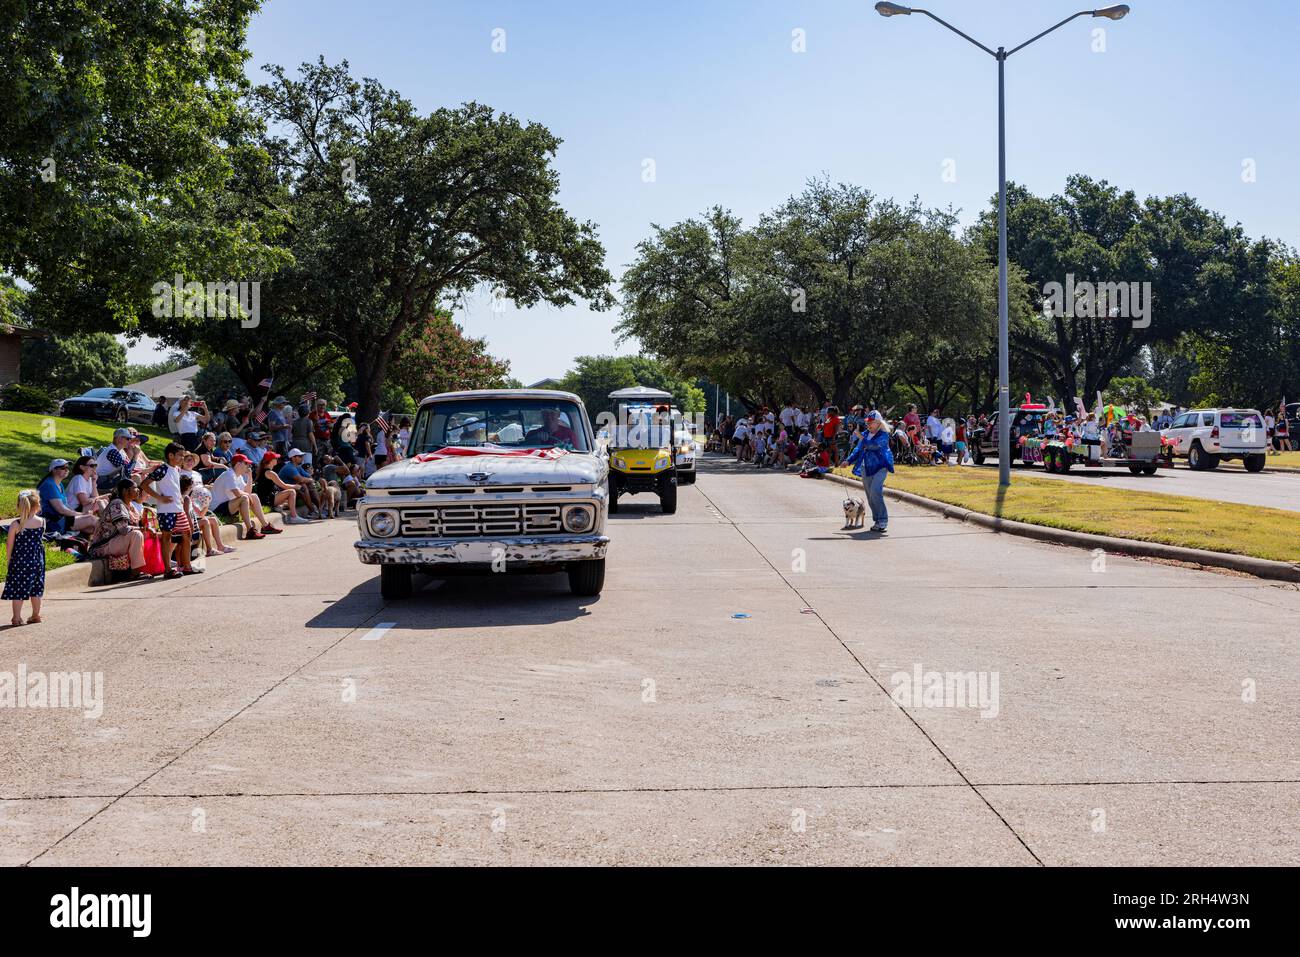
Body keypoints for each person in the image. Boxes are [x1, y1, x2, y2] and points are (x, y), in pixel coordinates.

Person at [139, 441, 197, 579]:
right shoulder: (162, 469)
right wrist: (160, 497)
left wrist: (180, 498)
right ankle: (167, 569)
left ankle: (186, 566)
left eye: (183, 456)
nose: (182, 458)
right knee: (167, 537)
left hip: (177, 507)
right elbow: (144, 484)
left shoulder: (176, 469)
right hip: (166, 510)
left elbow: (174, 486)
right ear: (170, 455)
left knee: (187, 533)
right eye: (180, 456)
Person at [87, 479, 152, 580]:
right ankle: (136, 572)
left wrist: (145, 522)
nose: (138, 490)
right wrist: (142, 528)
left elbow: (137, 524)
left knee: (151, 534)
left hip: (115, 542)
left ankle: (153, 566)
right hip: (103, 545)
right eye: (135, 488)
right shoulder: (117, 504)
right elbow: (123, 529)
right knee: (137, 535)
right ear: (125, 491)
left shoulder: (130, 505)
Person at [210, 454, 282, 538]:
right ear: (238, 464)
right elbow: (237, 493)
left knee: (253, 496)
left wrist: (249, 476)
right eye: (246, 463)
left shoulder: (238, 476)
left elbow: (248, 491)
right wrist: (248, 496)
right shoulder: (229, 475)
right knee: (244, 498)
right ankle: (250, 530)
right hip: (217, 508)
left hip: (229, 505)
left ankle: (265, 526)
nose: (248, 466)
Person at [846, 411, 895, 533]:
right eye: (868, 422)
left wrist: (861, 437)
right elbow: (858, 450)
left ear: (879, 423)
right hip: (866, 467)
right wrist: (848, 460)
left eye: (871, 422)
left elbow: (874, 446)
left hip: (880, 467)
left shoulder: (883, 435)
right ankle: (877, 520)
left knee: (875, 492)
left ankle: (883, 520)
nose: (869, 425)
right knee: (870, 496)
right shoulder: (866, 434)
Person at [4, 489, 46, 625]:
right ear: (37, 506)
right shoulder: (42, 522)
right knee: (36, 588)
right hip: (37, 561)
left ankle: (16, 618)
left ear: (19, 506)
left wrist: (9, 560)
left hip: (20, 562)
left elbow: (9, 544)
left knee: (18, 589)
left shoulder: (16, 524)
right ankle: (36, 615)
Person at [38, 459, 97, 536]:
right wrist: (82, 514)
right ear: (54, 470)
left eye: (67, 468)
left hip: (61, 519)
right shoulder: (50, 485)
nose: (66, 470)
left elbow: (65, 506)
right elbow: (61, 510)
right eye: (63, 468)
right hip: (53, 523)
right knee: (91, 519)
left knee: (91, 529)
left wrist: (80, 514)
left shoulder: (59, 484)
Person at [255, 452, 309, 524]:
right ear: (271, 461)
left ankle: (279, 507)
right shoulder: (270, 473)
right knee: (291, 491)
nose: (277, 459)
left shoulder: (266, 471)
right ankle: (294, 517)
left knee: (288, 500)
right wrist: (296, 486)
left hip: (266, 498)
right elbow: (284, 486)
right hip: (267, 500)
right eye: (276, 458)